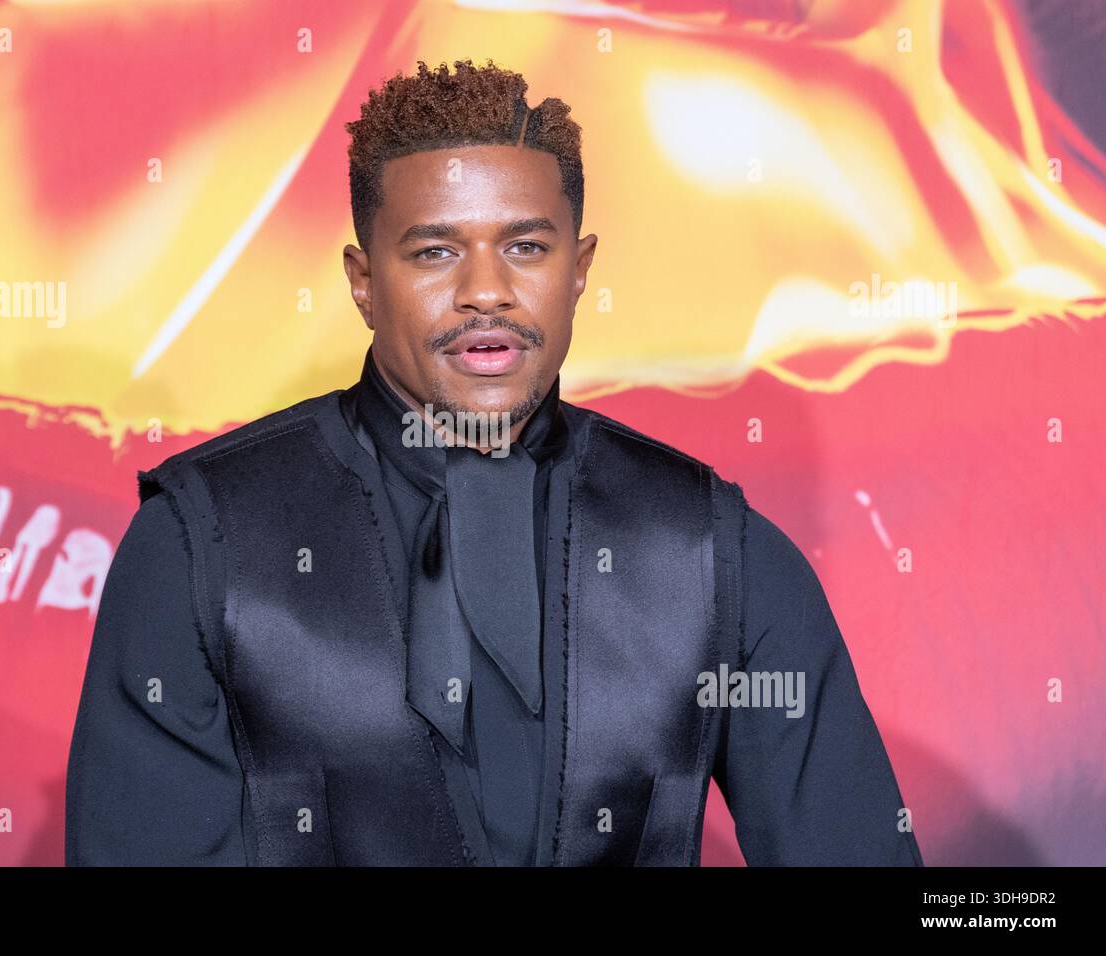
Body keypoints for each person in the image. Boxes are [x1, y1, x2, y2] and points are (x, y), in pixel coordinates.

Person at [64, 58, 923, 867]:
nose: (485, 290)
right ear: (363, 281)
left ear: (579, 270)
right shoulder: (197, 544)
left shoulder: (711, 550)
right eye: (435, 251)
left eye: (526, 247)